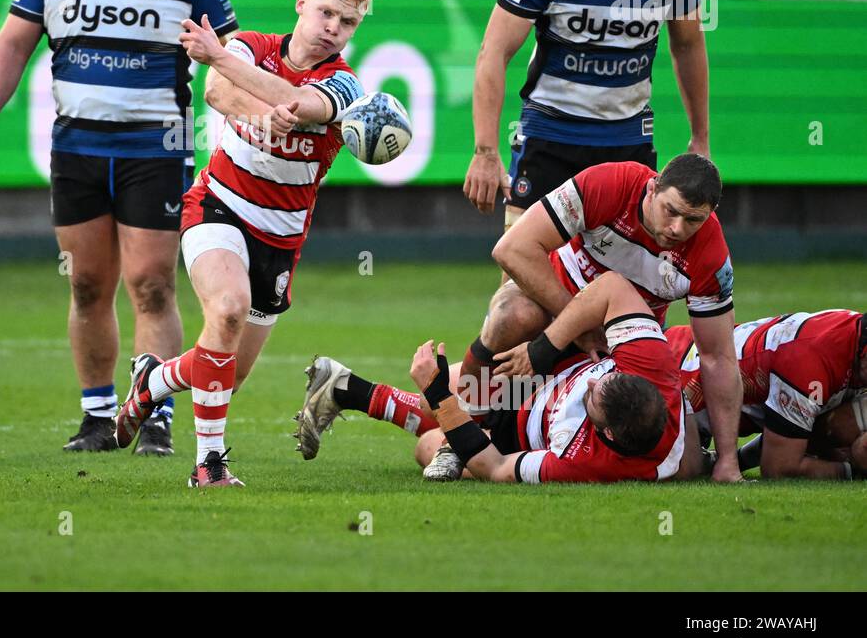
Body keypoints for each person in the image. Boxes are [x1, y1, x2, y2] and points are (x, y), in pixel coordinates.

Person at [0, 0, 237, 457]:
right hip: (77, 145)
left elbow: (230, 58)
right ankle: (96, 416)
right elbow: (12, 45)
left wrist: (248, 114)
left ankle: (154, 413)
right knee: (87, 283)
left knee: (152, 284)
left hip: (157, 146)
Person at [114, 0, 369, 487]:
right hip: (218, 206)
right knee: (226, 312)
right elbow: (216, 93)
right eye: (324, 12)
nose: (331, 29)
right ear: (301, 3)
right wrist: (259, 109)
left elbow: (306, 105)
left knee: (226, 373)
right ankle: (209, 467)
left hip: (281, 238)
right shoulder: (253, 44)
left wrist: (229, 66)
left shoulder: (347, 87)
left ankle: (154, 381)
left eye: (346, 23)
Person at [462, 0, 710, 256]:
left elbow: (688, 47)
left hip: (627, 144)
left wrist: (699, 138)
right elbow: (493, 51)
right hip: (549, 136)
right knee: (519, 289)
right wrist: (485, 151)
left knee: (623, 290)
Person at [449, 153, 740, 484]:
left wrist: (728, 460)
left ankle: (470, 424)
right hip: (551, 308)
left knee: (684, 465)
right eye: (670, 211)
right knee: (512, 315)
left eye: (693, 220)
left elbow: (718, 357)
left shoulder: (711, 256)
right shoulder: (611, 185)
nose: (677, 228)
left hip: (614, 347)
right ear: (652, 188)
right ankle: (458, 432)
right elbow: (511, 249)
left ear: (710, 215)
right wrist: (574, 328)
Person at [297, 270, 689, 484]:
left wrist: (441, 399)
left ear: (608, 436)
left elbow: (496, 468)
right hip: (536, 368)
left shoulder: (588, 464)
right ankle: (352, 390)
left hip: (512, 433)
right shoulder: (651, 366)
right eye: (601, 377)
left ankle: (348, 388)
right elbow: (612, 286)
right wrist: (545, 349)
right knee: (505, 326)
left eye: (593, 400)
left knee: (432, 447)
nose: (590, 382)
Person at [671, 309, 867, 480]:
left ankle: (711, 459)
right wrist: (852, 471)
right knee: (687, 469)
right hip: (671, 378)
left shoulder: (853, 332)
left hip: (685, 355)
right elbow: (779, 467)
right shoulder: (811, 365)